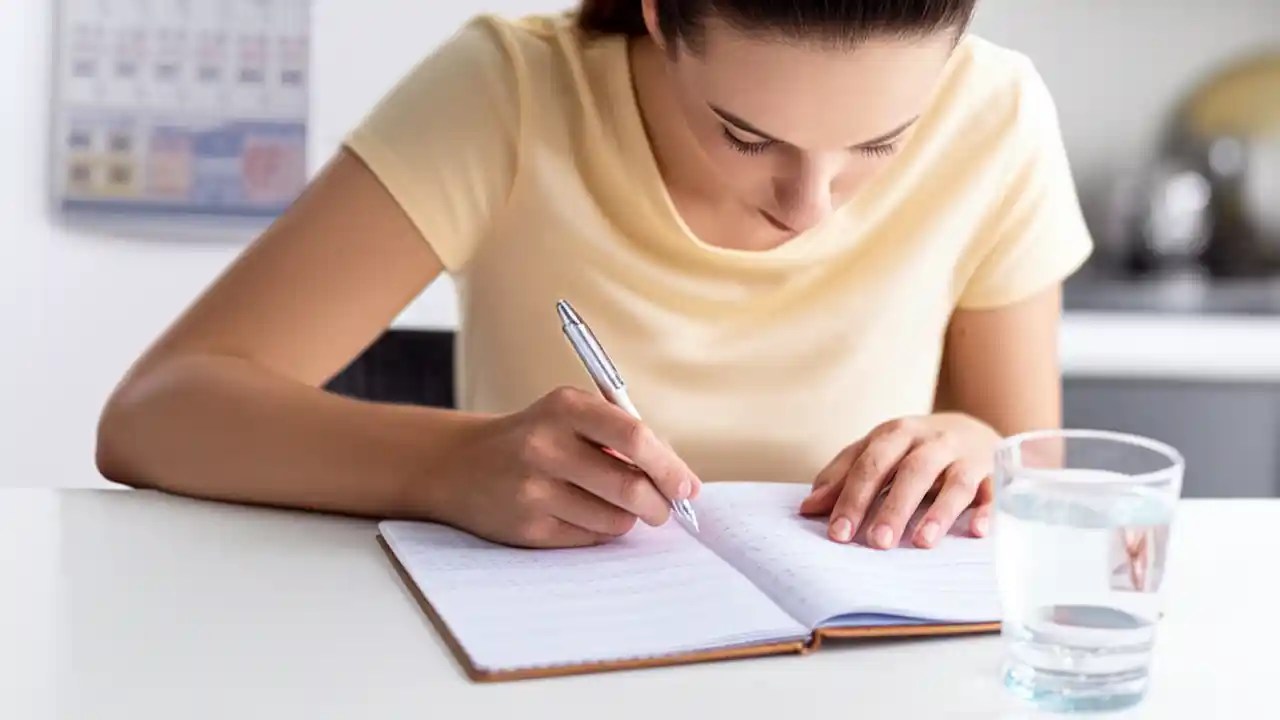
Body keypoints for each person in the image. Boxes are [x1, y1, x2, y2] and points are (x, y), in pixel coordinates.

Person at [95, 0, 1092, 551]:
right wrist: (445, 466)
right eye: (746, 137)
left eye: (881, 143)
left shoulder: (997, 116)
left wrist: (976, 450)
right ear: (658, 15)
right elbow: (156, 413)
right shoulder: (513, 94)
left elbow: (1027, 473)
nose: (808, 208)